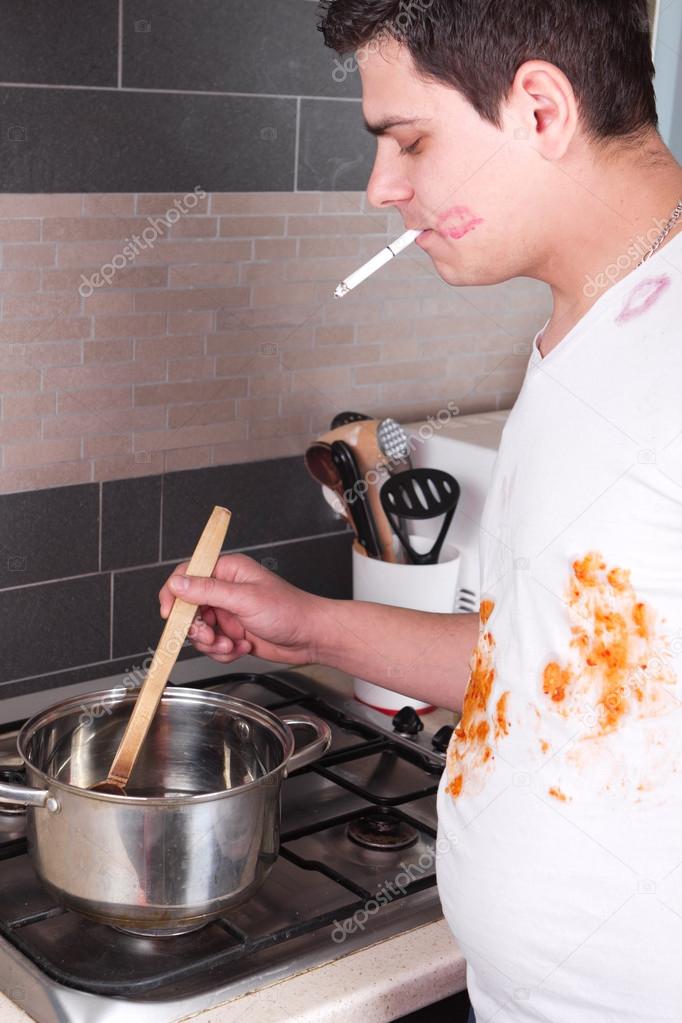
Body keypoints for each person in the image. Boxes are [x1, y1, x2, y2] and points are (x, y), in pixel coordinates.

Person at [159, 1, 682, 1019]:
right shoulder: (583, 328)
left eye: (410, 141)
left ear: (538, 109)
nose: (381, 188)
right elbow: (549, 663)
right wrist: (308, 626)